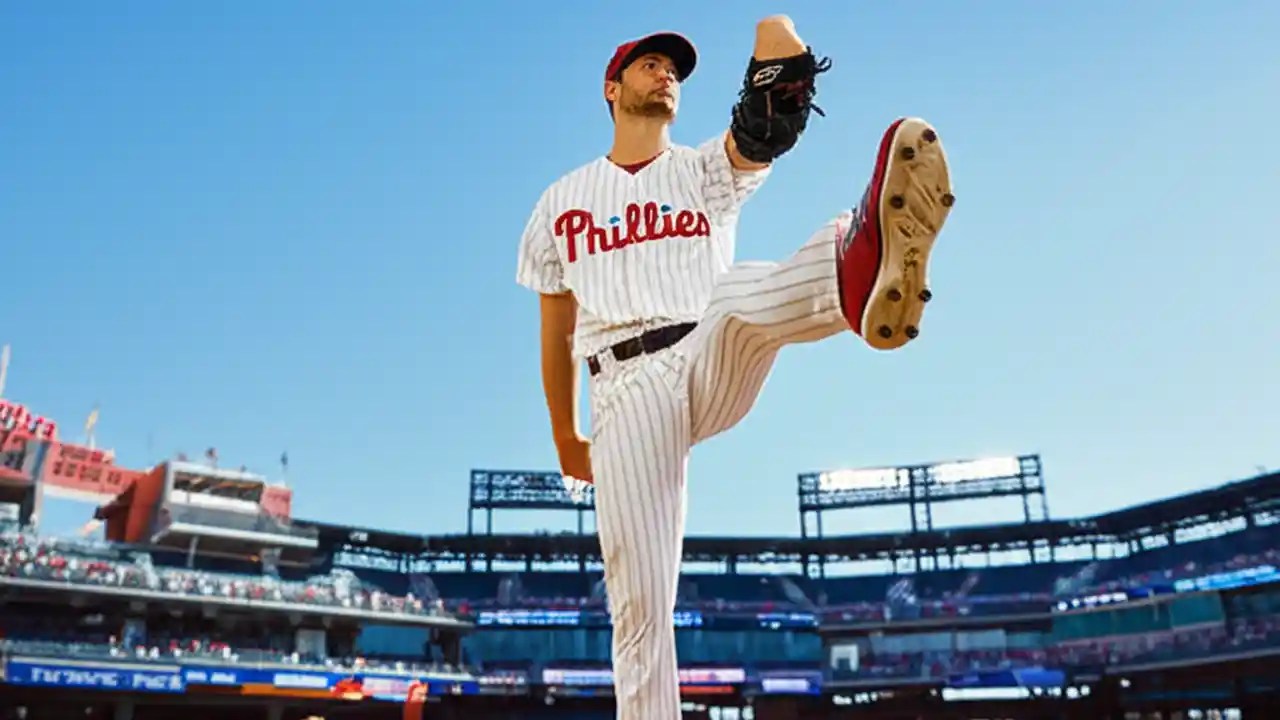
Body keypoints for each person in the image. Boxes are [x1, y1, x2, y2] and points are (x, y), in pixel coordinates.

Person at [514, 15, 954, 720]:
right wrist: (565, 435)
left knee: (737, 297)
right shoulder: (560, 202)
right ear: (611, 86)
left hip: (706, 347)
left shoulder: (702, 171)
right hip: (622, 393)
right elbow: (555, 324)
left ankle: (857, 261)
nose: (666, 75)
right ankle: (847, 263)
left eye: (675, 70)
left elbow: (761, 133)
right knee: (641, 609)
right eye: (650, 64)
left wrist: (779, 68)